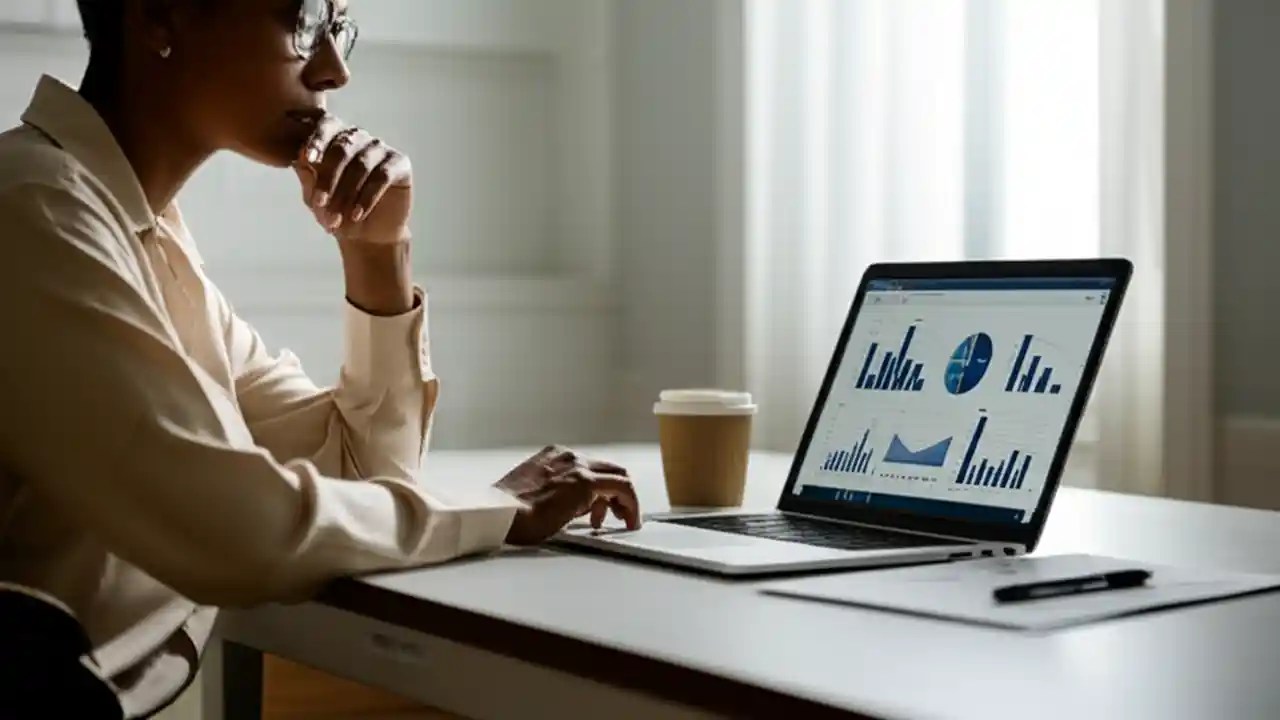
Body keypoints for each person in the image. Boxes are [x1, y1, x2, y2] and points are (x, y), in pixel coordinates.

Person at [0, 0, 641, 715]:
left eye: (339, 30)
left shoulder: (140, 234)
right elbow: (242, 532)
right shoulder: (34, 211)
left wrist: (378, 254)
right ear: (159, 18)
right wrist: (498, 507)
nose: (335, 71)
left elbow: (364, 474)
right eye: (302, 24)